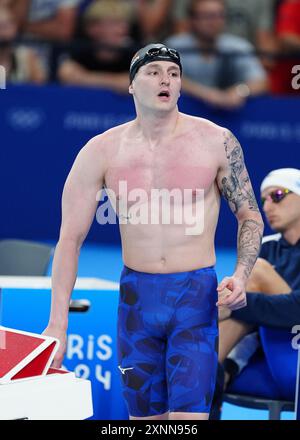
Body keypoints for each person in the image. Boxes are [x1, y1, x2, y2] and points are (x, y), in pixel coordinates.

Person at [43, 42, 264, 420]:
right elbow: (70, 240)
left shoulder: (216, 141)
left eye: (174, 73)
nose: (166, 79)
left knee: (187, 422)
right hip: (137, 300)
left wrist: (242, 275)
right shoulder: (101, 151)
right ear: (131, 85)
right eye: (154, 72)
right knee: (143, 422)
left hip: (194, 296)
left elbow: (250, 215)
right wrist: (56, 323)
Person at [212, 168, 300, 419]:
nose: (268, 205)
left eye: (279, 195)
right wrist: (232, 365)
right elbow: (249, 325)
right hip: (276, 352)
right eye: (263, 200)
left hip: (294, 352)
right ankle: (211, 370)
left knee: (253, 275)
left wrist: (236, 304)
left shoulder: (260, 261)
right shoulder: (267, 247)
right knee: (242, 294)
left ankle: (203, 371)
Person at [165, 0, 268, 110]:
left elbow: (262, 82)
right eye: (206, 16)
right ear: (192, 19)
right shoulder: (175, 47)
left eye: (218, 16)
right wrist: (208, 95)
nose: (213, 22)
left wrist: (240, 91)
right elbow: (165, 78)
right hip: (182, 113)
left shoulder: (238, 47)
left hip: (230, 118)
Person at [58, 0, 135, 93]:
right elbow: (67, 73)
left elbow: (134, 83)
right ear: (91, 28)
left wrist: (85, 78)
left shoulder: (133, 53)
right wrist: (116, 82)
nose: (121, 29)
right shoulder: (82, 50)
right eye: (114, 23)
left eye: (122, 23)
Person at [0, 5, 46, 84]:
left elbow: (40, 90)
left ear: (14, 28)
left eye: (5, 26)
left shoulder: (26, 57)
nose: (2, 32)